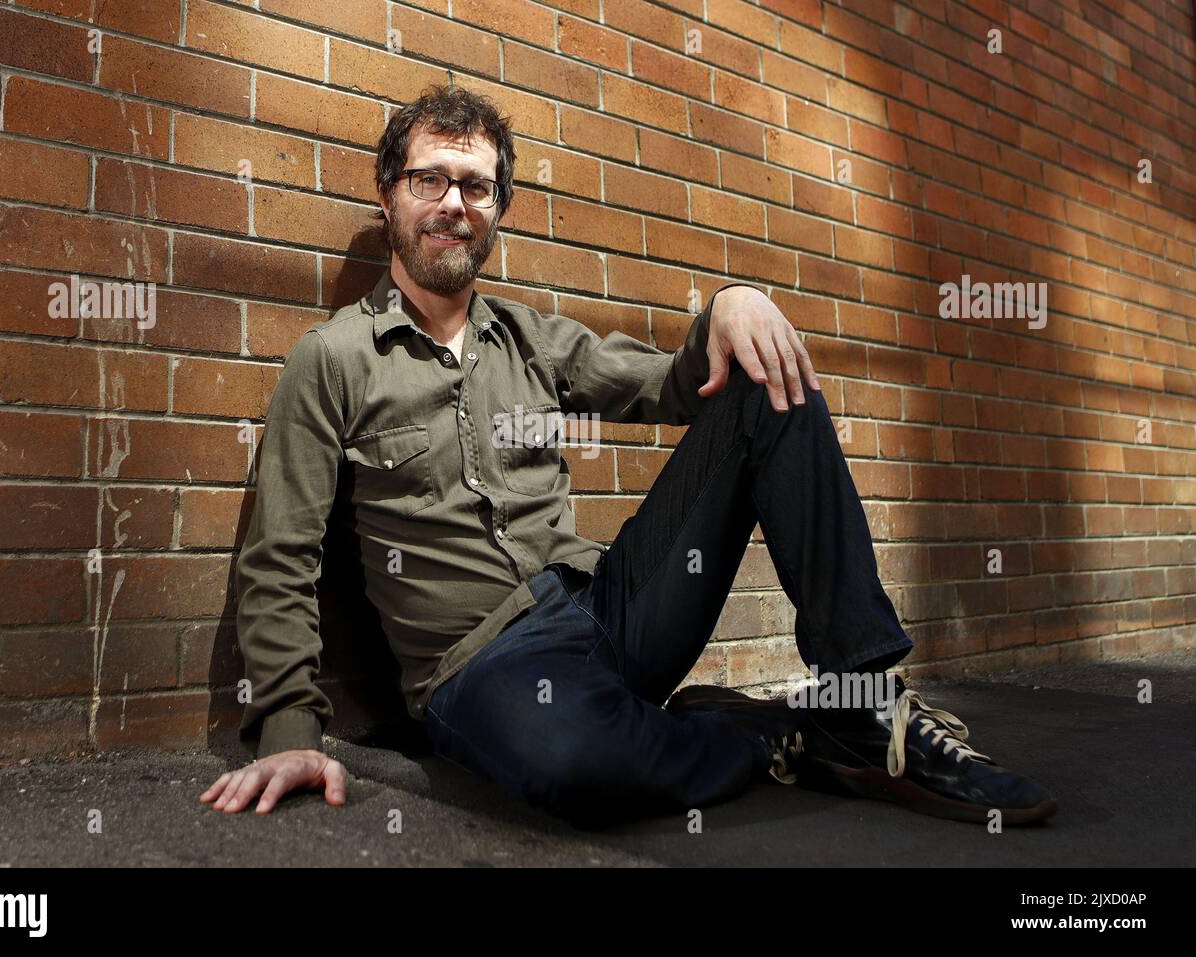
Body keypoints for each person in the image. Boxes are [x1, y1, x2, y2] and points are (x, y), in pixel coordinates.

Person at [200, 84, 1058, 829]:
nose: (453, 202)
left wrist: (732, 303)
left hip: (610, 607)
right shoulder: (334, 359)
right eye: (430, 179)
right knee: (577, 763)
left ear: (498, 208)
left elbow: (676, 386)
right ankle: (775, 733)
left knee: (764, 382)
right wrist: (289, 732)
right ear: (389, 194)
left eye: (477, 185)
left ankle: (863, 700)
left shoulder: (532, 340)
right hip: (484, 665)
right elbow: (281, 557)